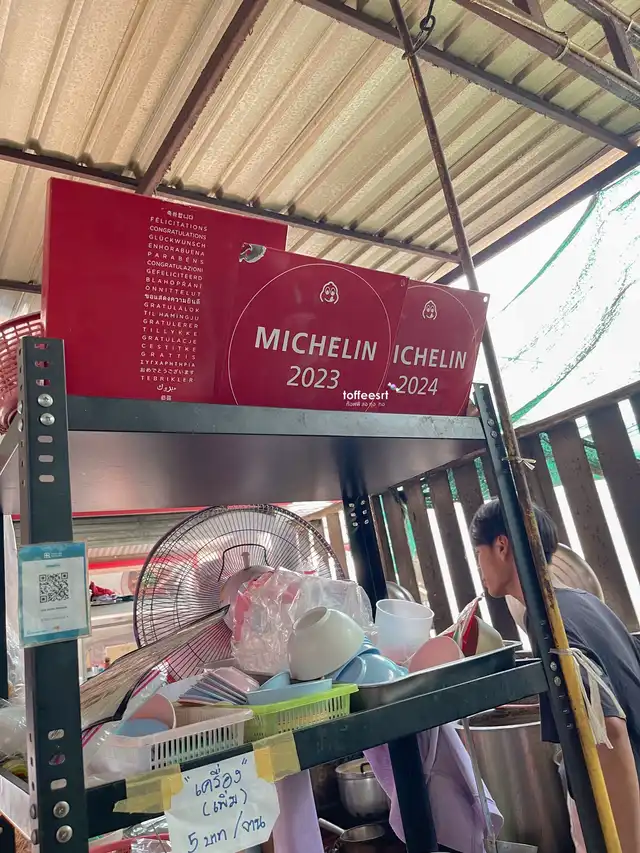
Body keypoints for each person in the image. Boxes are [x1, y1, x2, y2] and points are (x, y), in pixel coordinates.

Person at [469, 498, 640, 853]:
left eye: (478, 553)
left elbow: (608, 730)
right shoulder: (584, 602)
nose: (479, 568)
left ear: (501, 546)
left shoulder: (549, 622)